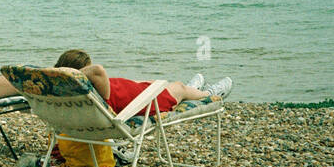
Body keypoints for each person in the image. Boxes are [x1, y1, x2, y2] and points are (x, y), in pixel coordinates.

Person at [53, 48, 232, 115]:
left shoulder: (67, 95)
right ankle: (209, 93)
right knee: (179, 87)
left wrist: (61, 76)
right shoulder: (97, 94)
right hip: (143, 102)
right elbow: (98, 70)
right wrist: (73, 76)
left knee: (160, 83)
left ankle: (193, 90)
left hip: (136, 91)